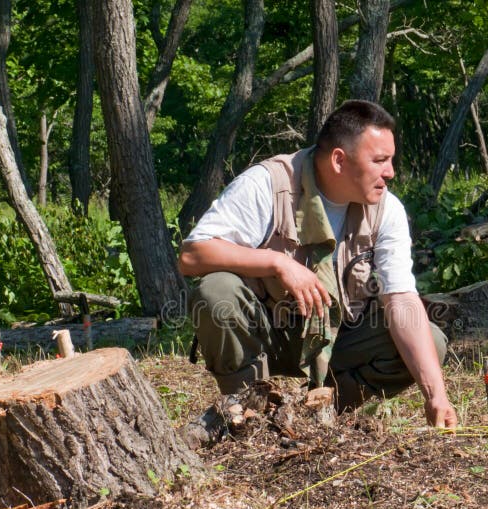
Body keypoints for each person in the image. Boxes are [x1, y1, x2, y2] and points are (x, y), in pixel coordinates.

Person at [179, 100, 458, 428]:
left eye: (391, 160)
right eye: (379, 160)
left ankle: (314, 414)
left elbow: (400, 298)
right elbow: (192, 255)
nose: (390, 172)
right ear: (339, 160)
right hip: (267, 335)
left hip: (339, 340)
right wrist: (277, 263)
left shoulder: (387, 210)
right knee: (216, 291)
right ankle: (246, 411)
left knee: (430, 340)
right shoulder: (268, 184)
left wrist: (436, 395)